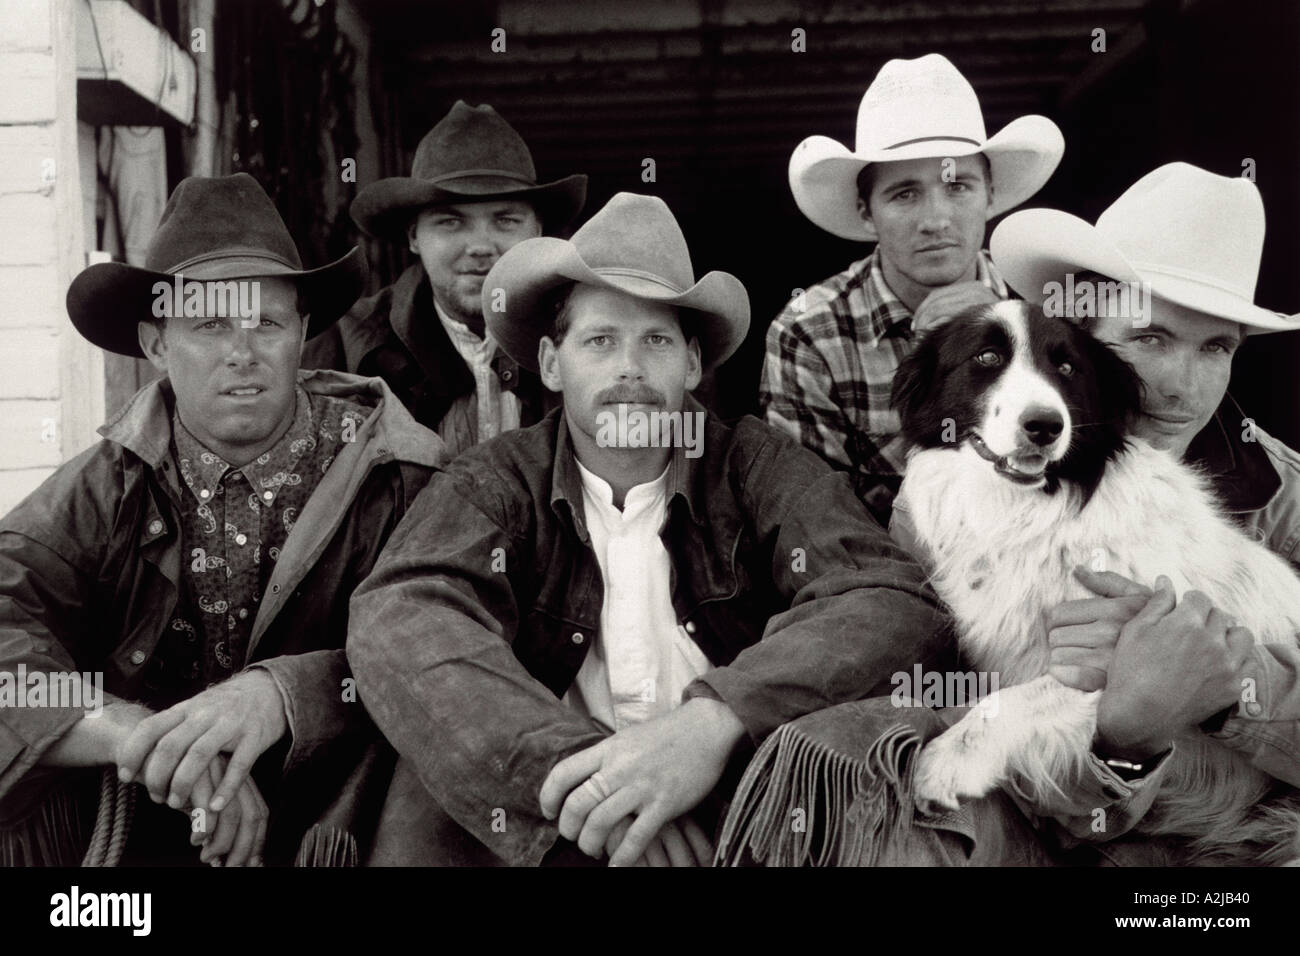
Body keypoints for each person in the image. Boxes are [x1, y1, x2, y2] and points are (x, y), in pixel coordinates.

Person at [345, 192, 952, 866]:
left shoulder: (755, 465)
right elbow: (400, 618)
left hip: (740, 808)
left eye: (655, 340)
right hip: (558, 818)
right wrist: (607, 782)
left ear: (691, 364)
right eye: (600, 340)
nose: (629, 368)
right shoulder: (495, 482)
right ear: (552, 363)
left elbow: (890, 601)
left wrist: (712, 720)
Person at [720, 162, 1300, 866]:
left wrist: (1234, 686)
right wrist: (1122, 725)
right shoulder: (946, 501)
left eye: (1216, 348)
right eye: (1149, 339)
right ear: (1080, 336)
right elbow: (942, 701)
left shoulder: (1287, 492)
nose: (1178, 385)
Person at [0, 173, 444, 867]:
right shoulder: (102, 489)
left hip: (350, 818)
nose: (242, 352)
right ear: (155, 342)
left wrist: (284, 696)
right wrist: (134, 735)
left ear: (302, 333)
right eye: (210, 324)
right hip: (154, 819)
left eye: (265, 322)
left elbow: (450, 657)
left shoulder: (402, 478)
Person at [761, 53, 1063, 523]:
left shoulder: (1049, 311)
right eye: (904, 193)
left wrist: (1000, 333)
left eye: (958, 186)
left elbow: (1086, 485)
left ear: (991, 195)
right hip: (879, 579)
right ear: (866, 212)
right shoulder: (810, 331)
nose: (936, 220)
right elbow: (813, 517)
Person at [303, 100, 587, 458]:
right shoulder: (343, 347)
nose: (480, 247)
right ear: (414, 236)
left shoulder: (582, 337)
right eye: (451, 222)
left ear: (538, 230)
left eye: (505, 221)